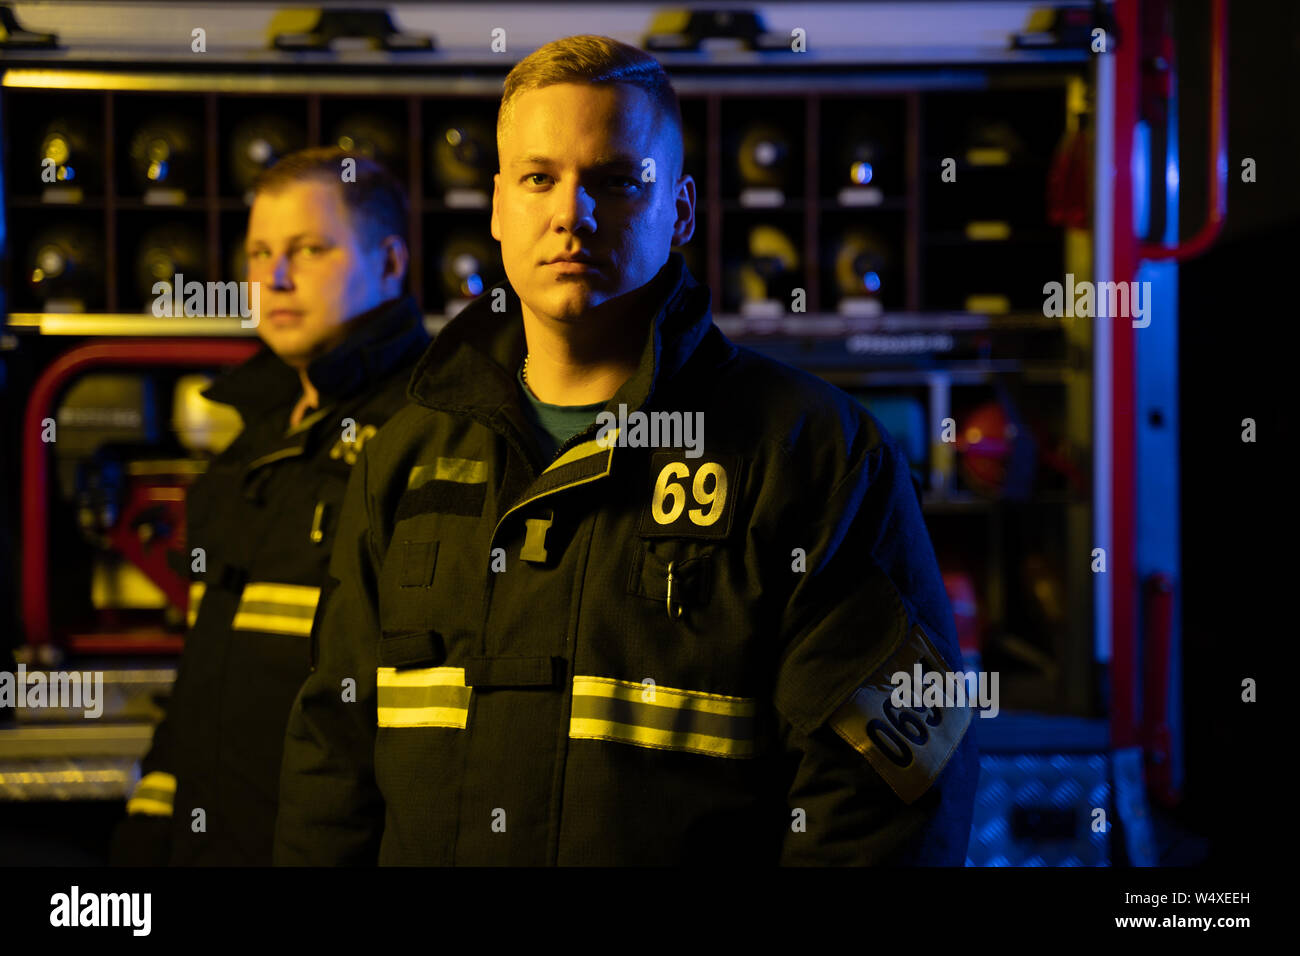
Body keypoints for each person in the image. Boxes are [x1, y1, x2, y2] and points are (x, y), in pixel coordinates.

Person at [275, 35, 978, 866]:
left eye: (615, 179)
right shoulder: (405, 460)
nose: (572, 213)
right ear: (498, 207)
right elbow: (333, 768)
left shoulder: (809, 457)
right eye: (540, 179)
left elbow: (890, 797)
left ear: (679, 209)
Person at [110, 147, 430, 865]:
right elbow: (204, 675)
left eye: (308, 250)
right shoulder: (253, 440)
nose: (275, 278)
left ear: (389, 262)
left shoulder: (430, 434)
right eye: (259, 252)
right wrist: (150, 825)